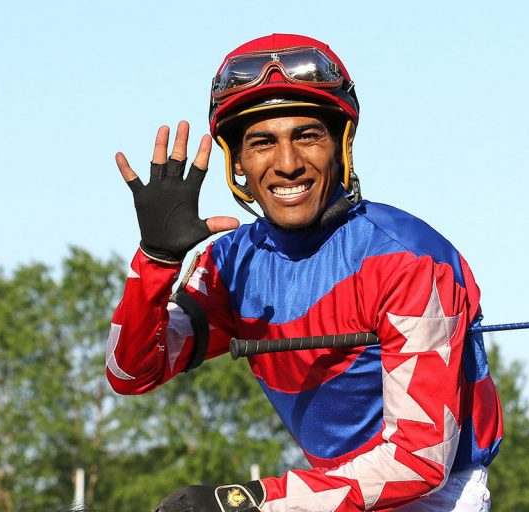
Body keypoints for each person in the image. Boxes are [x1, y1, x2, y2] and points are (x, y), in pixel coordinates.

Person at [108, 33, 503, 512]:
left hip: (430, 495)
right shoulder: (230, 263)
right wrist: (156, 260)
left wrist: (246, 501)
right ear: (238, 163)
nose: (288, 164)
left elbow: (418, 462)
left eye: (307, 136)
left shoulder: (410, 261)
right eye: (262, 143)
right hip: (331, 489)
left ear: (340, 148)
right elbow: (131, 372)